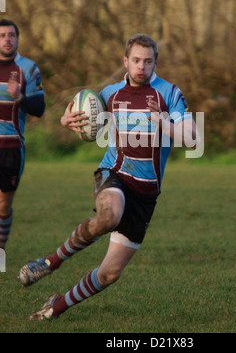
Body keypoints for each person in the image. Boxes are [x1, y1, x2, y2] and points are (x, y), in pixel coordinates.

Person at [19, 33, 200, 320]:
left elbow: (192, 139)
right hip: (114, 173)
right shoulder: (110, 95)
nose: (142, 67)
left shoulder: (170, 94)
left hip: (147, 192)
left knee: (109, 274)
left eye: (148, 61)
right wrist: (68, 122)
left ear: (156, 63)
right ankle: (50, 262)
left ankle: (54, 307)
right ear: (126, 61)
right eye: (137, 60)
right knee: (109, 216)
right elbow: (84, 124)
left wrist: (164, 122)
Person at [0, 19, 45, 250]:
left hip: (11, 148)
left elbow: (39, 108)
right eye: (2, 35)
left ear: (17, 39)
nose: (7, 40)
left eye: (11, 35)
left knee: (3, 205)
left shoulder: (28, 68)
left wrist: (19, 97)